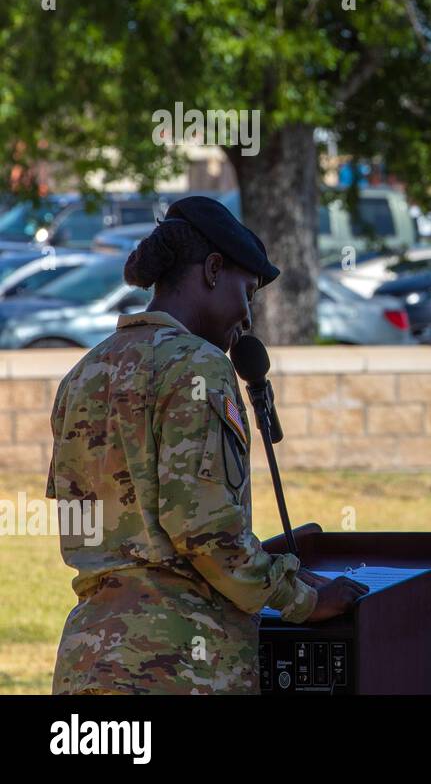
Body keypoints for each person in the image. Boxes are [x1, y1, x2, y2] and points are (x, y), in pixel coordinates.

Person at [47, 196, 367, 694]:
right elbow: (205, 530)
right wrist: (301, 598)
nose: (247, 318)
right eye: (248, 292)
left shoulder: (84, 372)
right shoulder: (198, 367)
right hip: (178, 666)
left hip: (89, 662)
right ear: (214, 270)